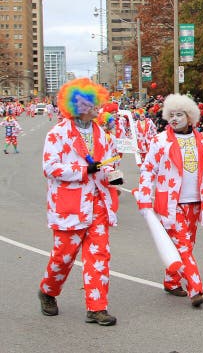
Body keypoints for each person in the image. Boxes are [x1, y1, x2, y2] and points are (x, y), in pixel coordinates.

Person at [38, 78, 120, 325]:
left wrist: (114, 175)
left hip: (98, 204)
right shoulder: (57, 134)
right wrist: (84, 169)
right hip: (69, 206)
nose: (98, 108)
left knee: (99, 255)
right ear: (79, 105)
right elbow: (50, 167)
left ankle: (97, 307)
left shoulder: (102, 135)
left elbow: (108, 164)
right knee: (64, 256)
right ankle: (48, 291)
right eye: (93, 104)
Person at [136, 94, 203, 307]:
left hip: (196, 202)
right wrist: (144, 197)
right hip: (170, 203)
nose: (175, 119)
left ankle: (171, 281)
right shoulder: (160, 141)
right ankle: (195, 288)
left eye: (180, 115)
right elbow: (148, 170)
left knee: (187, 245)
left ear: (190, 118)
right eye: (171, 115)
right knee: (184, 247)